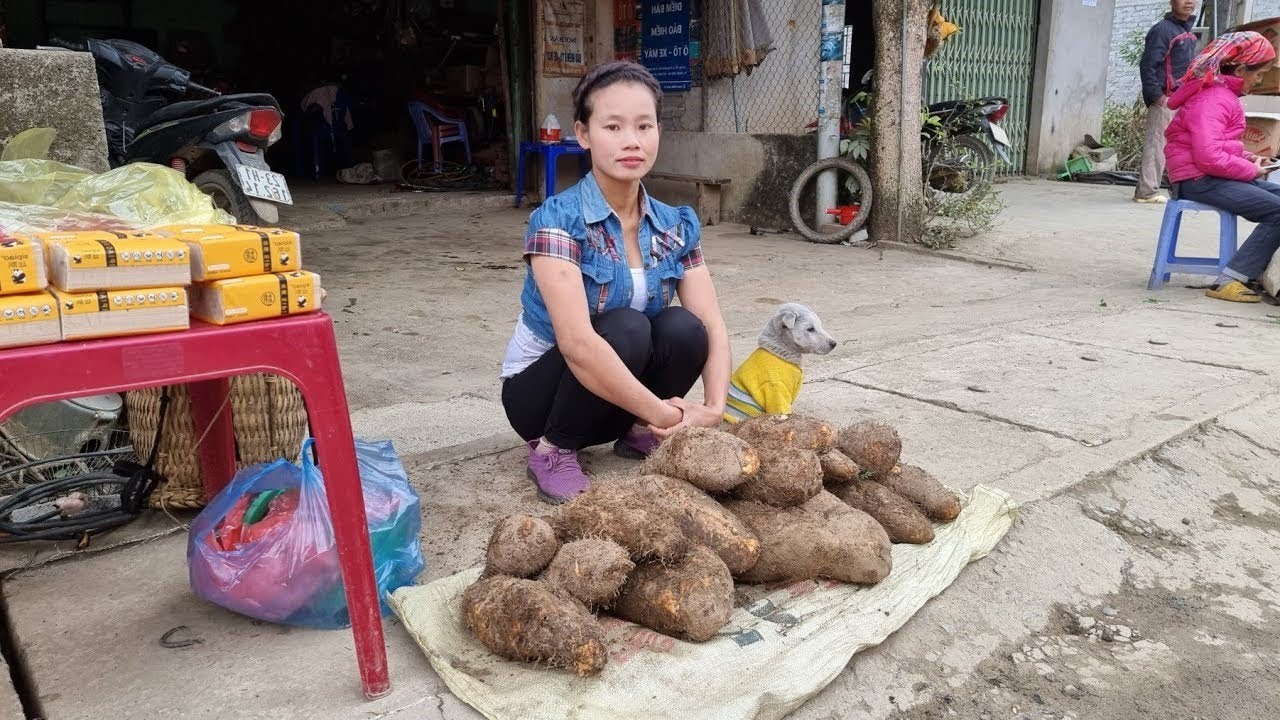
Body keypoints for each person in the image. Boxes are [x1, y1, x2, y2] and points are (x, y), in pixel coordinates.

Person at [500, 61, 732, 503]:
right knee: (626, 326)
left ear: (659, 131)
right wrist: (668, 414)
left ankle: (637, 431)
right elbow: (577, 344)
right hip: (540, 402)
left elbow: (712, 324)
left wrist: (713, 409)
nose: (632, 141)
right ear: (583, 134)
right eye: (613, 126)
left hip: (617, 401)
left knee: (686, 329)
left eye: (644, 126)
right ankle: (553, 451)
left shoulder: (676, 225)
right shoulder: (558, 219)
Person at [1165, 31, 1279, 303]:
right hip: (1197, 180)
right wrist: (1251, 171)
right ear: (1240, 70)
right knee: (1278, 211)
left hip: (1206, 176)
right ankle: (1230, 281)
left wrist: (1249, 159)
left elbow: (1219, 146)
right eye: (1259, 74)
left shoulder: (1220, 95)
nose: (1259, 81)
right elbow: (1208, 157)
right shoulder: (1214, 99)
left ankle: (1253, 270)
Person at [1136, 0, 1200, 203]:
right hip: (1165, 99)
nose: (1189, 1)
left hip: (1181, 100)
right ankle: (1147, 192)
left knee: (1178, 146)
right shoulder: (1163, 30)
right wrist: (1157, 96)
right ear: (1172, 2)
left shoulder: (1188, 33)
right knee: (1156, 145)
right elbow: (1148, 65)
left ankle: (1178, 188)